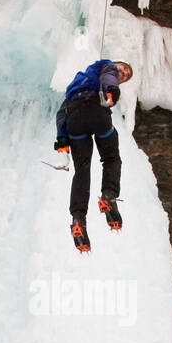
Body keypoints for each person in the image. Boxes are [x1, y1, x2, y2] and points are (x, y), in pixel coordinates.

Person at [54, 59, 133, 252]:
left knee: (82, 170)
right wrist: (112, 89)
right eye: (123, 69)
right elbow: (109, 74)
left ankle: (78, 219)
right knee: (111, 158)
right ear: (115, 64)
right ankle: (109, 195)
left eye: (126, 76)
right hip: (95, 111)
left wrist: (62, 140)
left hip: (74, 121)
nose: (122, 73)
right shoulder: (107, 66)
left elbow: (61, 113)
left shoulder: (77, 82)